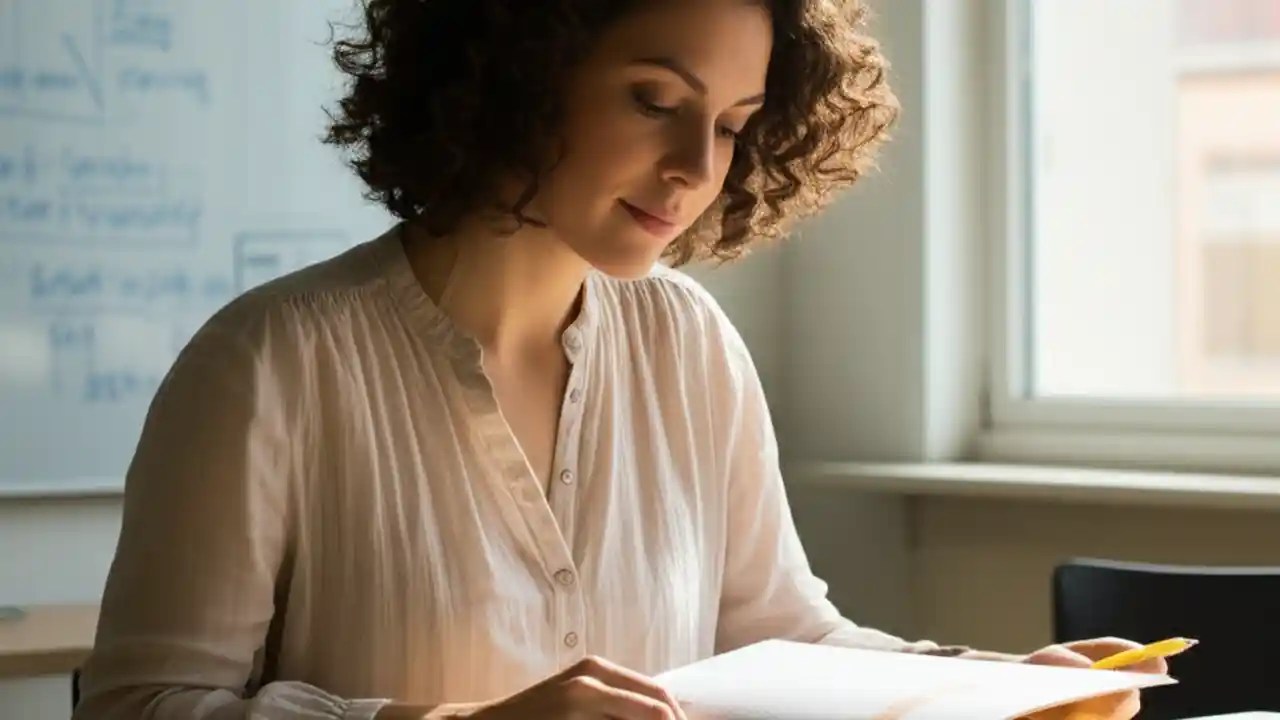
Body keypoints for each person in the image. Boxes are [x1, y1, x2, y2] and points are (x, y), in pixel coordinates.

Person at [73, 1, 1168, 719]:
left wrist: (997, 686)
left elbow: (782, 637)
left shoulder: (690, 344)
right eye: (654, 102)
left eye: (732, 124)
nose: (695, 166)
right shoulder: (269, 366)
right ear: (518, 70)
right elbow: (140, 705)